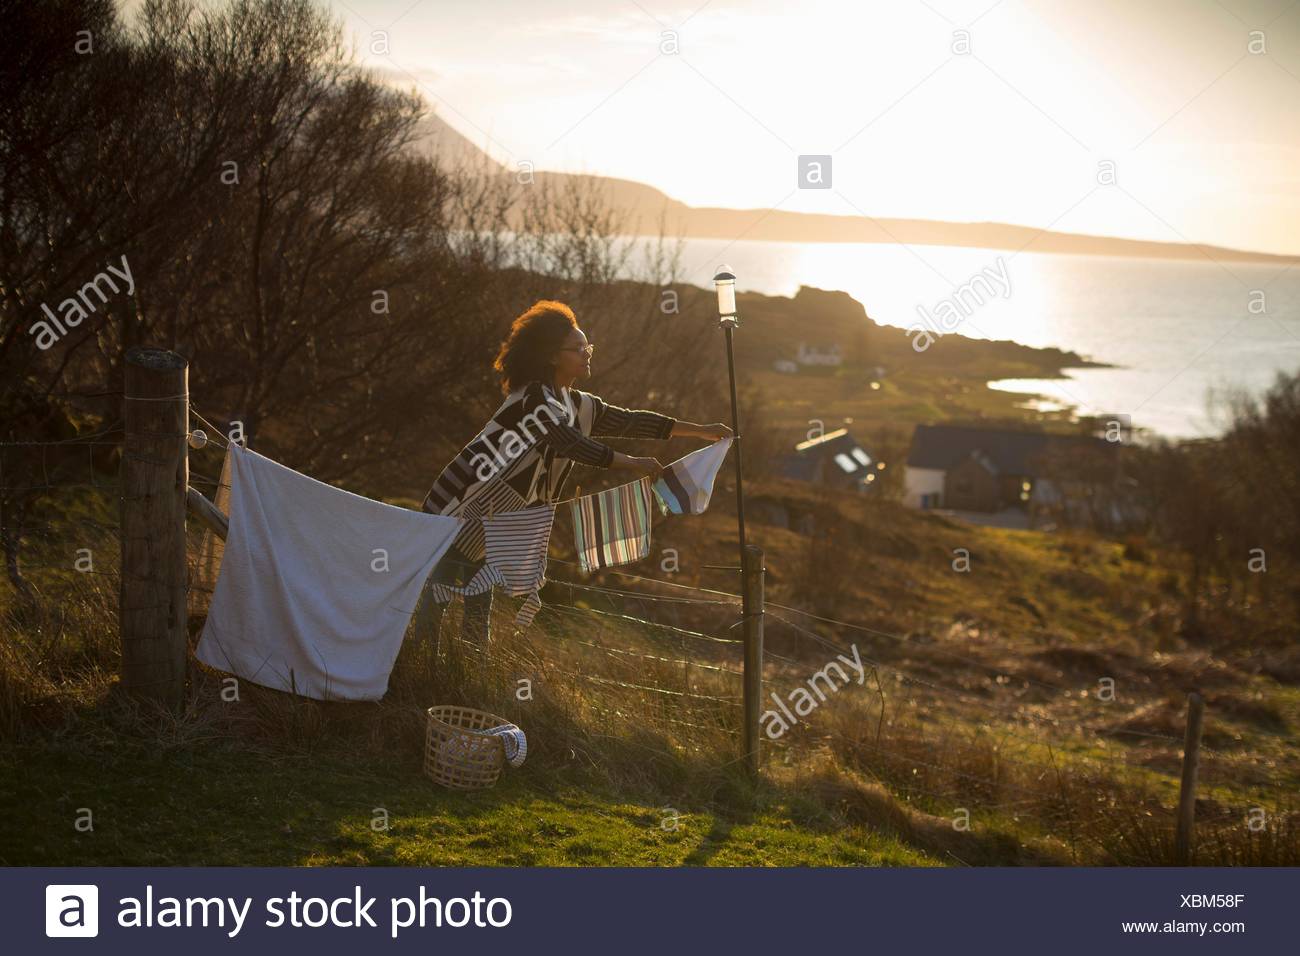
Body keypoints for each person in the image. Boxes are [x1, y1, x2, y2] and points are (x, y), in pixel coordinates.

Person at [412, 299, 731, 663]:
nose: (586, 354)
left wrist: (700, 431)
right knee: (440, 588)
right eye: (577, 349)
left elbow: (631, 421)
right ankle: (420, 665)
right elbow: (569, 443)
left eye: (587, 347)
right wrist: (632, 463)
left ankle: (464, 671)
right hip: (463, 501)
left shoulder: (579, 404)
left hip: (497, 515)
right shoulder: (533, 398)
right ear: (552, 356)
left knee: (477, 593)